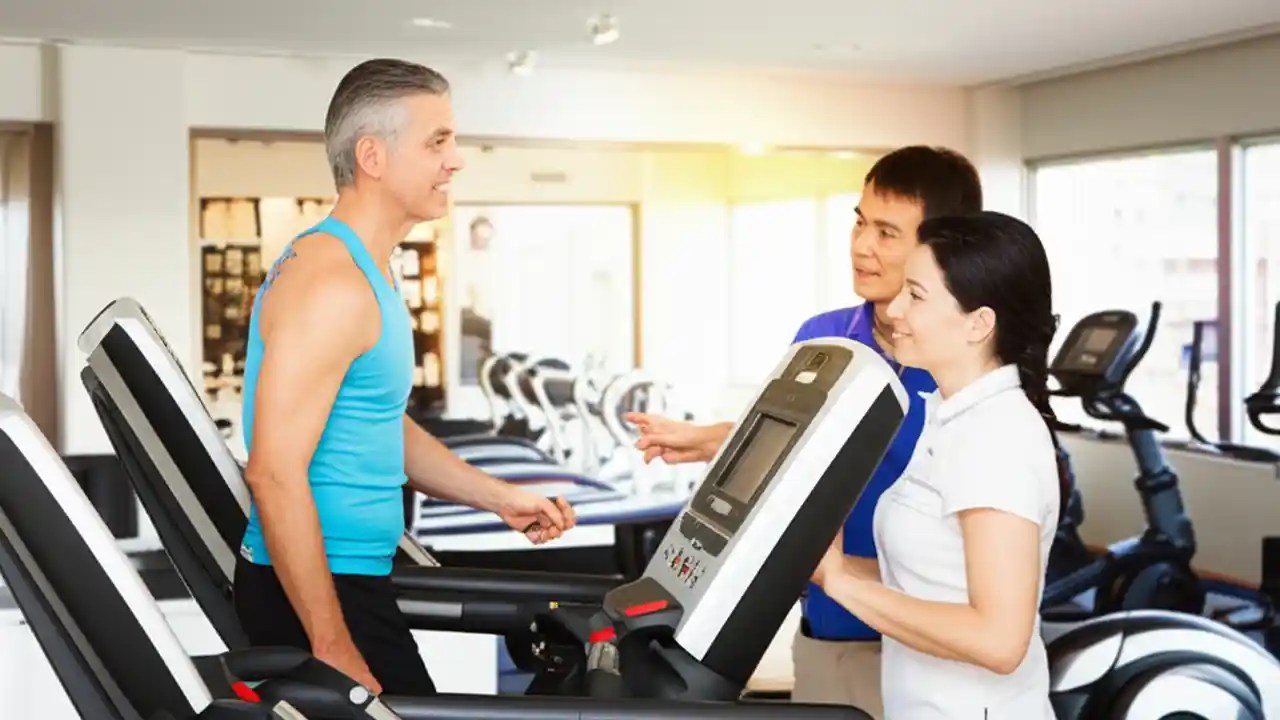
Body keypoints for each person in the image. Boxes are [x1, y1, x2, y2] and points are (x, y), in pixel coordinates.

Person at [234, 58, 577, 698]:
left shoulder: (367, 270)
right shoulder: (332, 281)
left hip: (350, 577)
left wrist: (499, 497)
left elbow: (379, 421)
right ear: (373, 156)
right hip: (322, 593)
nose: (456, 160)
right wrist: (330, 645)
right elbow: (273, 472)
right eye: (437, 141)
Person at [626, 146, 982, 717]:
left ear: (941, 247)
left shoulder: (965, 359)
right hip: (832, 624)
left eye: (887, 232)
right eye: (860, 222)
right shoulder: (826, 338)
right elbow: (800, 435)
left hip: (930, 630)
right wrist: (714, 439)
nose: (862, 245)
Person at [810, 210, 1065, 719]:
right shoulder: (946, 416)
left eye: (916, 295)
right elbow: (929, 578)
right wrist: (823, 565)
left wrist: (842, 582)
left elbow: (998, 640)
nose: (895, 309)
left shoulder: (996, 439)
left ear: (979, 323)